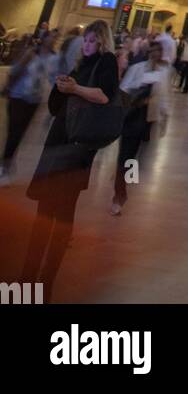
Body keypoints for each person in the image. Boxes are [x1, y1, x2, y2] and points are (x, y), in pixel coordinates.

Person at [21, 20, 119, 302]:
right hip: (58, 140)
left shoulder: (107, 62)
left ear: (101, 42)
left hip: (78, 147)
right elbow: (56, 107)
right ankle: (28, 277)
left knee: (62, 214)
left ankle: (47, 279)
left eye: (91, 42)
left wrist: (75, 89)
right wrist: (61, 87)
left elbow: (103, 96)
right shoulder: (78, 65)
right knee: (43, 210)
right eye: (84, 41)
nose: (86, 46)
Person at [111, 39, 171, 215]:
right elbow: (124, 90)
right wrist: (139, 95)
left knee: (136, 157)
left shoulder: (163, 73)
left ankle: (125, 183)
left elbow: (164, 96)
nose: (154, 54)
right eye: (152, 51)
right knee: (126, 155)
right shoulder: (137, 69)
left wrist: (164, 117)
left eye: (157, 51)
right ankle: (119, 193)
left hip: (148, 120)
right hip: (133, 117)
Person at [0, 30, 58, 184]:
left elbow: (54, 78)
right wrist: (7, 87)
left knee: (19, 133)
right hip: (18, 96)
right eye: (51, 36)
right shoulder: (31, 54)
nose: (53, 40)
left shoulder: (53, 58)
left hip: (34, 100)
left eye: (55, 38)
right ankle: (5, 164)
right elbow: (15, 71)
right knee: (14, 131)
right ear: (44, 38)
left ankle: (7, 162)